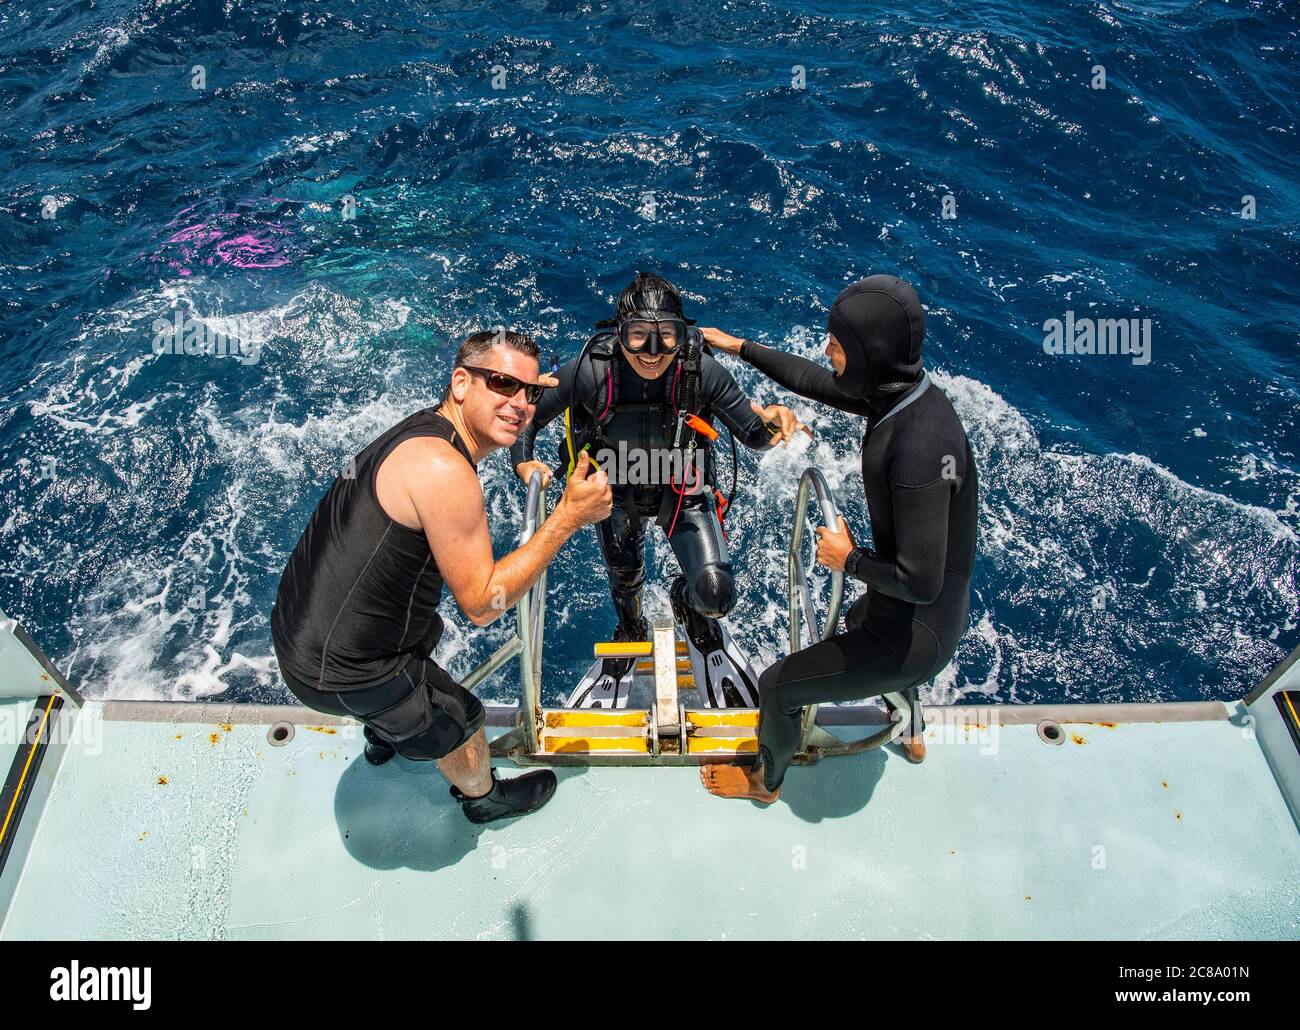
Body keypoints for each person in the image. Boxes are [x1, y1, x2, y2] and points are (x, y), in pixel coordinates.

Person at [271, 330, 613, 823]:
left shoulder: (419, 432)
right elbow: (483, 605)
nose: (521, 404)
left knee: (426, 631)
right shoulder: (445, 470)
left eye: (532, 392)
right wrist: (567, 518)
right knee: (463, 721)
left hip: (297, 632)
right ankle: (483, 800)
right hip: (341, 671)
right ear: (460, 383)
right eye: (502, 384)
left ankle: (383, 731)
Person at [697, 274, 978, 802]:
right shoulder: (902, 392)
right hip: (918, 607)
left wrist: (848, 560)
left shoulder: (919, 448)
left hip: (917, 630)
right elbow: (814, 380)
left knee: (779, 686)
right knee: (853, 620)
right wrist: (737, 346)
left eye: (837, 341)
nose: (828, 348)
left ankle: (765, 781)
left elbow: (919, 580)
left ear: (870, 351)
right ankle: (912, 729)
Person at [509, 273, 807, 707]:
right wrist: (522, 460)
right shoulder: (591, 371)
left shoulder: (700, 371)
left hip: (682, 491)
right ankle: (632, 628)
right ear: (618, 334)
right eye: (638, 337)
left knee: (716, 595)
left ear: (683, 335)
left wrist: (773, 425)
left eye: (666, 337)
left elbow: (752, 433)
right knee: (625, 579)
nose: (652, 353)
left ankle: (688, 605)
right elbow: (529, 417)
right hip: (615, 496)